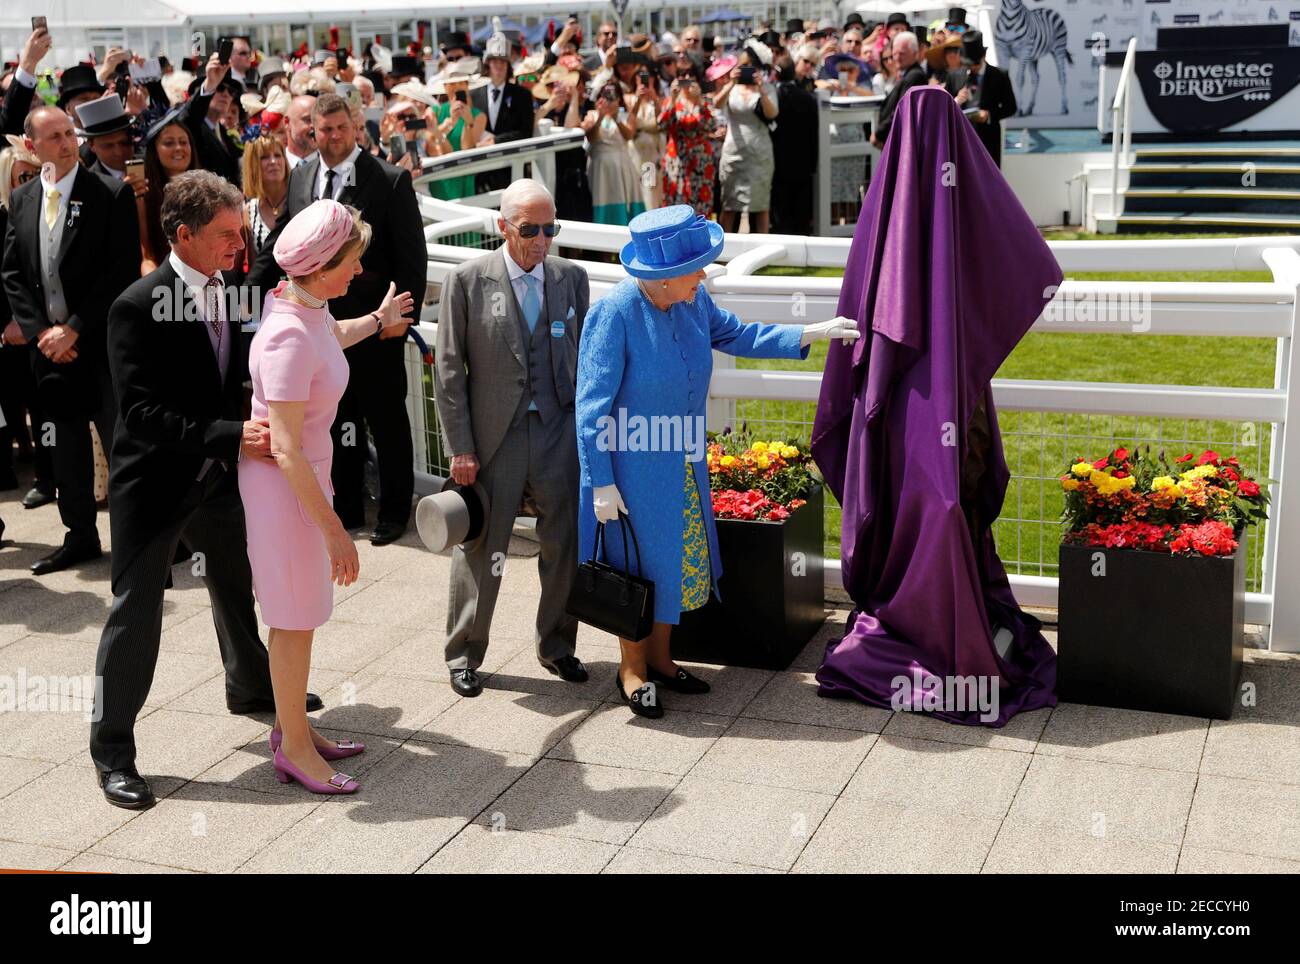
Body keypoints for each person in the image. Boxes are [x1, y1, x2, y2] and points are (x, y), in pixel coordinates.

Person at [812, 88, 1057, 727]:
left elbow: (872, 304)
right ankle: (948, 622)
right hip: (950, 388)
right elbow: (1024, 262)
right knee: (947, 499)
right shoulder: (957, 191)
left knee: (930, 499)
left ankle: (923, 619)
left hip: (904, 394)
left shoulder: (890, 198)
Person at [90, 170, 325, 809]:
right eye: (226, 234)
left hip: (219, 479)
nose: (239, 243)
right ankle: (113, 752)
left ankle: (251, 687)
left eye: (240, 230)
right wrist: (231, 434)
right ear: (184, 235)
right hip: (156, 485)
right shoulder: (136, 305)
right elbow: (137, 413)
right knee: (135, 617)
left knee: (236, 586)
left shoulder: (233, 291)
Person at [575, 206, 858, 718]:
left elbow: (740, 334)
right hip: (631, 472)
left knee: (674, 563)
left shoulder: (692, 301)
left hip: (682, 465)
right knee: (637, 567)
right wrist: (600, 483)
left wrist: (808, 334)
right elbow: (590, 405)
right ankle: (632, 670)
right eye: (695, 267)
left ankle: (661, 659)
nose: (704, 275)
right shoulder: (614, 313)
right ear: (661, 276)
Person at [242, 199, 412, 794]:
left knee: (302, 615)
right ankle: (292, 747)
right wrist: (337, 530)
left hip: (303, 484)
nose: (358, 272)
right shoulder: (287, 332)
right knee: (292, 619)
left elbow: (332, 335)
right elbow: (285, 448)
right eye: (351, 262)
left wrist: (377, 318)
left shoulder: (304, 306)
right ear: (317, 268)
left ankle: (295, 728)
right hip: (287, 491)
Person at [433, 179, 589, 698]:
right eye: (530, 230)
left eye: (551, 228)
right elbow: (450, 371)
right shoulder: (467, 280)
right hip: (493, 439)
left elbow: (586, 359)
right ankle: (464, 654)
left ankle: (557, 646)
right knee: (482, 546)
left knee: (563, 544)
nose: (542, 239)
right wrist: (461, 447)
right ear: (503, 227)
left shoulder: (572, 278)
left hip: (557, 432)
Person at [248, 92, 424, 545]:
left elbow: (412, 257)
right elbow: (284, 242)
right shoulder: (302, 175)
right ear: (313, 132)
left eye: (339, 128)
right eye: (322, 130)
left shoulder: (390, 179)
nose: (331, 136)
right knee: (335, 419)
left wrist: (402, 316)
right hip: (317, 324)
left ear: (355, 126)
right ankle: (345, 507)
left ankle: (394, 512)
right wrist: (243, 293)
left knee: (386, 421)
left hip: (377, 326)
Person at [1, 106, 138, 576]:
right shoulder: (21, 200)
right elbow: (13, 273)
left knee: (121, 442)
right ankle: (79, 535)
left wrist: (74, 327)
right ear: (31, 144)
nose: (66, 143)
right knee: (66, 449)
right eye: (54, 136)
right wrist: (42, 332)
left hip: (99, 346)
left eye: (69, 134)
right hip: (50, 353)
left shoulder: (110, 193)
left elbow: (118, 272)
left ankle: (138, 539)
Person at [0, 140, 54, 504]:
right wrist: (6, 325)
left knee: (45, 410)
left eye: (35, 174)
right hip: (5, 335)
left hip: (41, 331)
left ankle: (47, 478)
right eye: (22, 176)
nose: (30, 181)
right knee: (9, 409)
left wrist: (32, 324)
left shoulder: (44, 213)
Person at [714, 44, 778, 233]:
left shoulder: (767, 88)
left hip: (760, 155)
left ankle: (763, 250)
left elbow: (772, 113)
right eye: (741, 66)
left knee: (760, 206)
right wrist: (730, 83)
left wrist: (761, 90)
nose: (745, 70)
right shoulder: (732, 88)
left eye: (750, 66)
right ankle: (724, 251)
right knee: (729, 205)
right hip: (733, 153)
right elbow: (717, 104)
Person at [474, 29, 535, 193]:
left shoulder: (522, 95)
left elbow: (526, 131)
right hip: (481, 171)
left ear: (508, 65)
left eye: (503, 62)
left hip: (511, 167)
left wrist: (496, 140)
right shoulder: (474, 94)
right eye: (494, 61)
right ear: (488, 64)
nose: (499, 66)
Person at [945, 31, 1017, 168]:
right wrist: (956, 101)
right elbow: (944, 110)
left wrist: (989, 115)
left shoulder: (999, 75)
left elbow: (1011, 107)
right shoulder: (954, 76)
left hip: (988, 142)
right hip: (961, 141)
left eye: (975, 64)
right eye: (968, 64)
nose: (972, 68)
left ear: (983, 56)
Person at [139, 108, 197, 271]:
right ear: (155, 151)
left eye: (183, 142)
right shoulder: (144, 195)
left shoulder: (209, 192)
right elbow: (147, 255)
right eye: (169, 143)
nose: (178, 148)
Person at [771, 54, 818, 235]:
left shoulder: (773, 97)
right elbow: (814, 133)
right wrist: (813, 164)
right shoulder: (807, 98)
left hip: (779, 162)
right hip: (803, 162)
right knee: (801, 213)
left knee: (782, 213)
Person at [585, 81, 644, 226]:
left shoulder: (624, 116)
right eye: (606, 95)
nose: (610, 99)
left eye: (614, 96)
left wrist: (616, 117)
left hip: (623, 168)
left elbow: (629, 135)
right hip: (601, 170)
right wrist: (600, 116)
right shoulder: (592, 115)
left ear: (619, 99)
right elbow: (590, 137)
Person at [658, 68, 716, 216]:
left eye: (691, 76)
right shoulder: (671, 102)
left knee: (701, 207)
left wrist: (699, 101)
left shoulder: (705, 101)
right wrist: (672, 97)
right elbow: (661, 125)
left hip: (701, 161)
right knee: (676, 207)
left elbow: (711, 125)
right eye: (683, 76)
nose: (687, 79)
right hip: (677, 160)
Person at [184, 53, 244, 185]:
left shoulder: (225, 133)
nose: (226, 95)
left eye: (231, 91)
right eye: (220, 87)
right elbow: (189, 116)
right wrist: (210, 84)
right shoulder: (194, 126)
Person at [871, 31, 926, 148]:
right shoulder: (908, 74)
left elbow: (901, 110)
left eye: (902, 53)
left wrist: (879, 133)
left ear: (915, 53)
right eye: (895, 53)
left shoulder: (914, 76)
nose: (897, 57)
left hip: (901, 142)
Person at [241, 133, 290, 254]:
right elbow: (254, 264)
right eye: (264, 157)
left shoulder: (299, 199)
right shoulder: (249, 211)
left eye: (278, 155)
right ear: (252, 164)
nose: (273, 161)